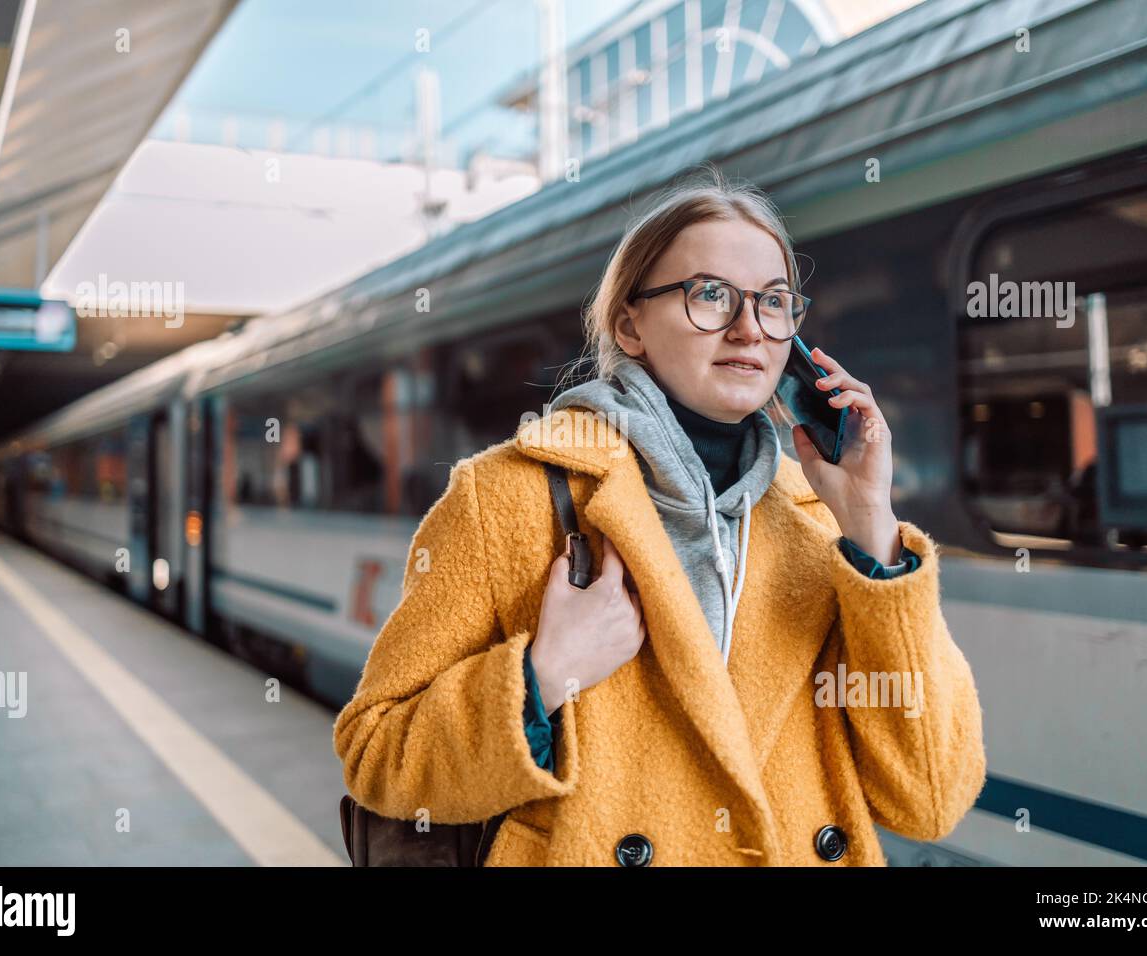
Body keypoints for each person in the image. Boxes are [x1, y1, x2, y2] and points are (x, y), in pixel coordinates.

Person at [333, 165, 986, 866]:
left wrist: (873, 527)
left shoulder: (822, 524)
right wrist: (545, 674)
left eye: (773, 301)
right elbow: (378, 753)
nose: (748, 329)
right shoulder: (507, 498)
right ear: (629, 324)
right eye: (710, 295)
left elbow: (931, 798)